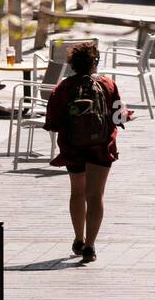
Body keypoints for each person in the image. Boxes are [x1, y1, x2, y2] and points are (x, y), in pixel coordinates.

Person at [44, 40, 127, 263]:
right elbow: (118, 116)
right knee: (95, 195)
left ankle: (78, 239)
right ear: (95, 62)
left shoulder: (64, 87)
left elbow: (52, 120)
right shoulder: (108, 84)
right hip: (102, 147)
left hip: (74, 147)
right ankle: (90, 246)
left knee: (77, 192)